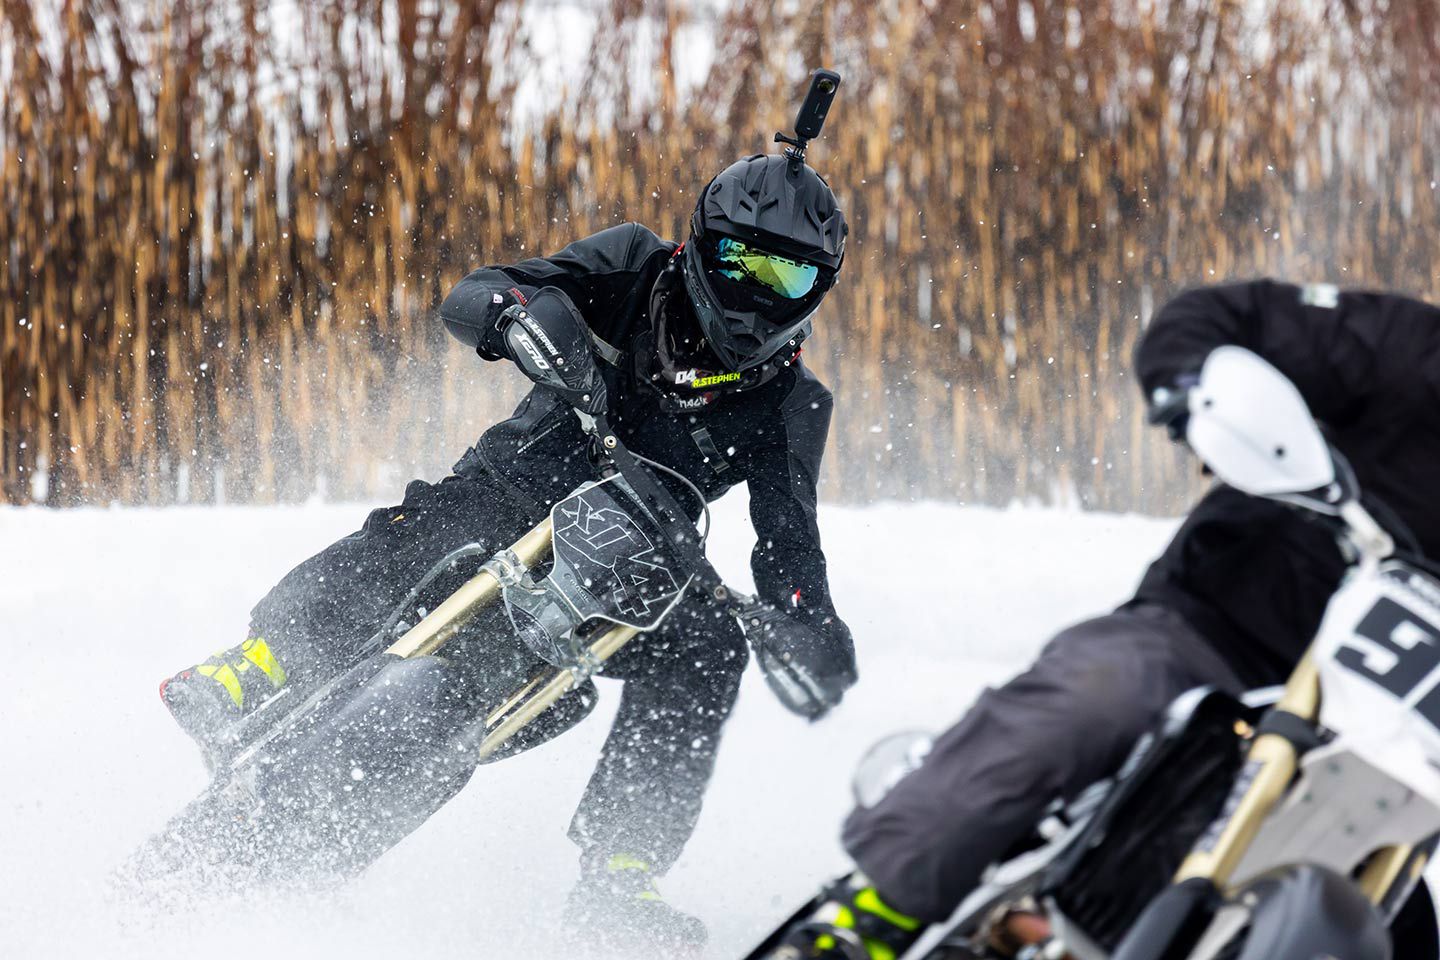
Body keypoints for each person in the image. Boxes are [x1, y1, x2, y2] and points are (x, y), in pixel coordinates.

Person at [157, 150, 857, 950]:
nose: (761, 292)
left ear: (818, 290)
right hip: (520, 490)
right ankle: (257, 665)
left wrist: (811, 625)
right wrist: (516, 314)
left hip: (635, 567)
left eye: (789, 277)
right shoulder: (636, 264)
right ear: (703, 243)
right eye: (745, 262)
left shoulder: (796, 403)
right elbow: (482, 288)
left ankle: (620, 873)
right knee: (432, 528)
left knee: (708, 645)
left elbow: (791, 543)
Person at [799, 280, 1440, 958]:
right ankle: (867, 916)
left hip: (1387, 751)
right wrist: (1193, 385)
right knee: (1098, 696)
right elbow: (1227, 315)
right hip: (1211, 630)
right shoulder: (1411, 352)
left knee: (1398, 935)